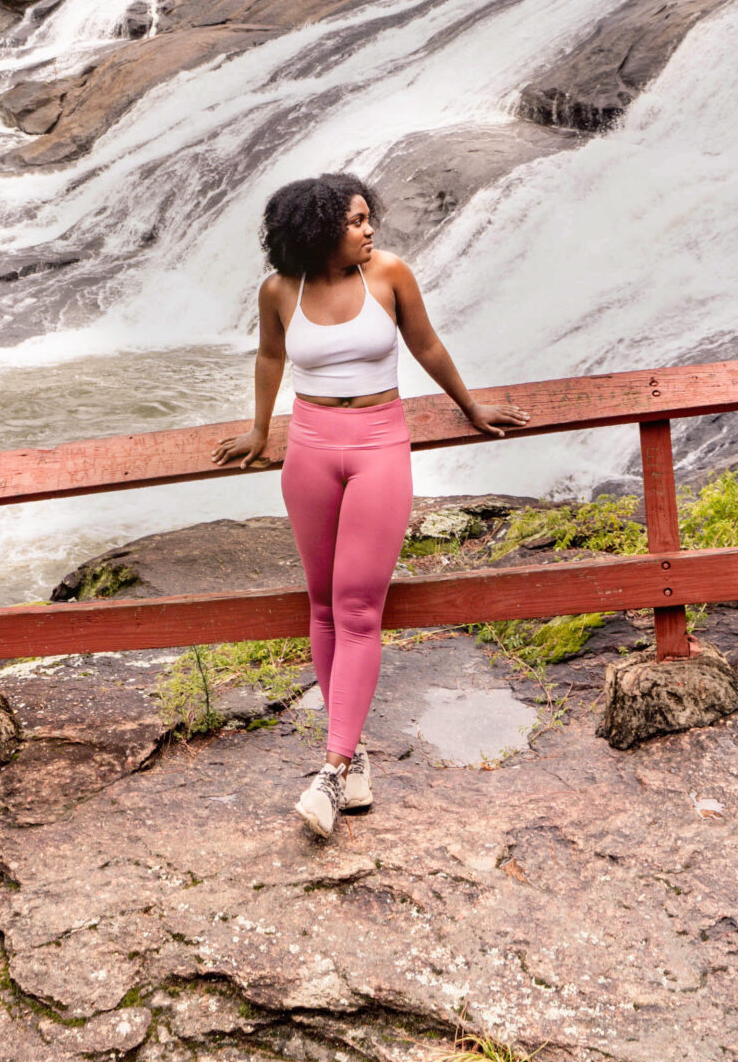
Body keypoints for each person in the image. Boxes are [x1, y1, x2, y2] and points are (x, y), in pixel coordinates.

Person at [213, 173, 528, 838]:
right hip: (309, 449)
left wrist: (472, 407)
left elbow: (427, 345)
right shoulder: (279, 292)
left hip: (380, 445)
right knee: (322, 604)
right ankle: (350, 762)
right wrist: (257, 428)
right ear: (319, 231)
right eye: (355, 222)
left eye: (367, 219)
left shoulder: (390, 276)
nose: (369, 230)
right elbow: (272, 357)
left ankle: (330, 772)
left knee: (358, 607)